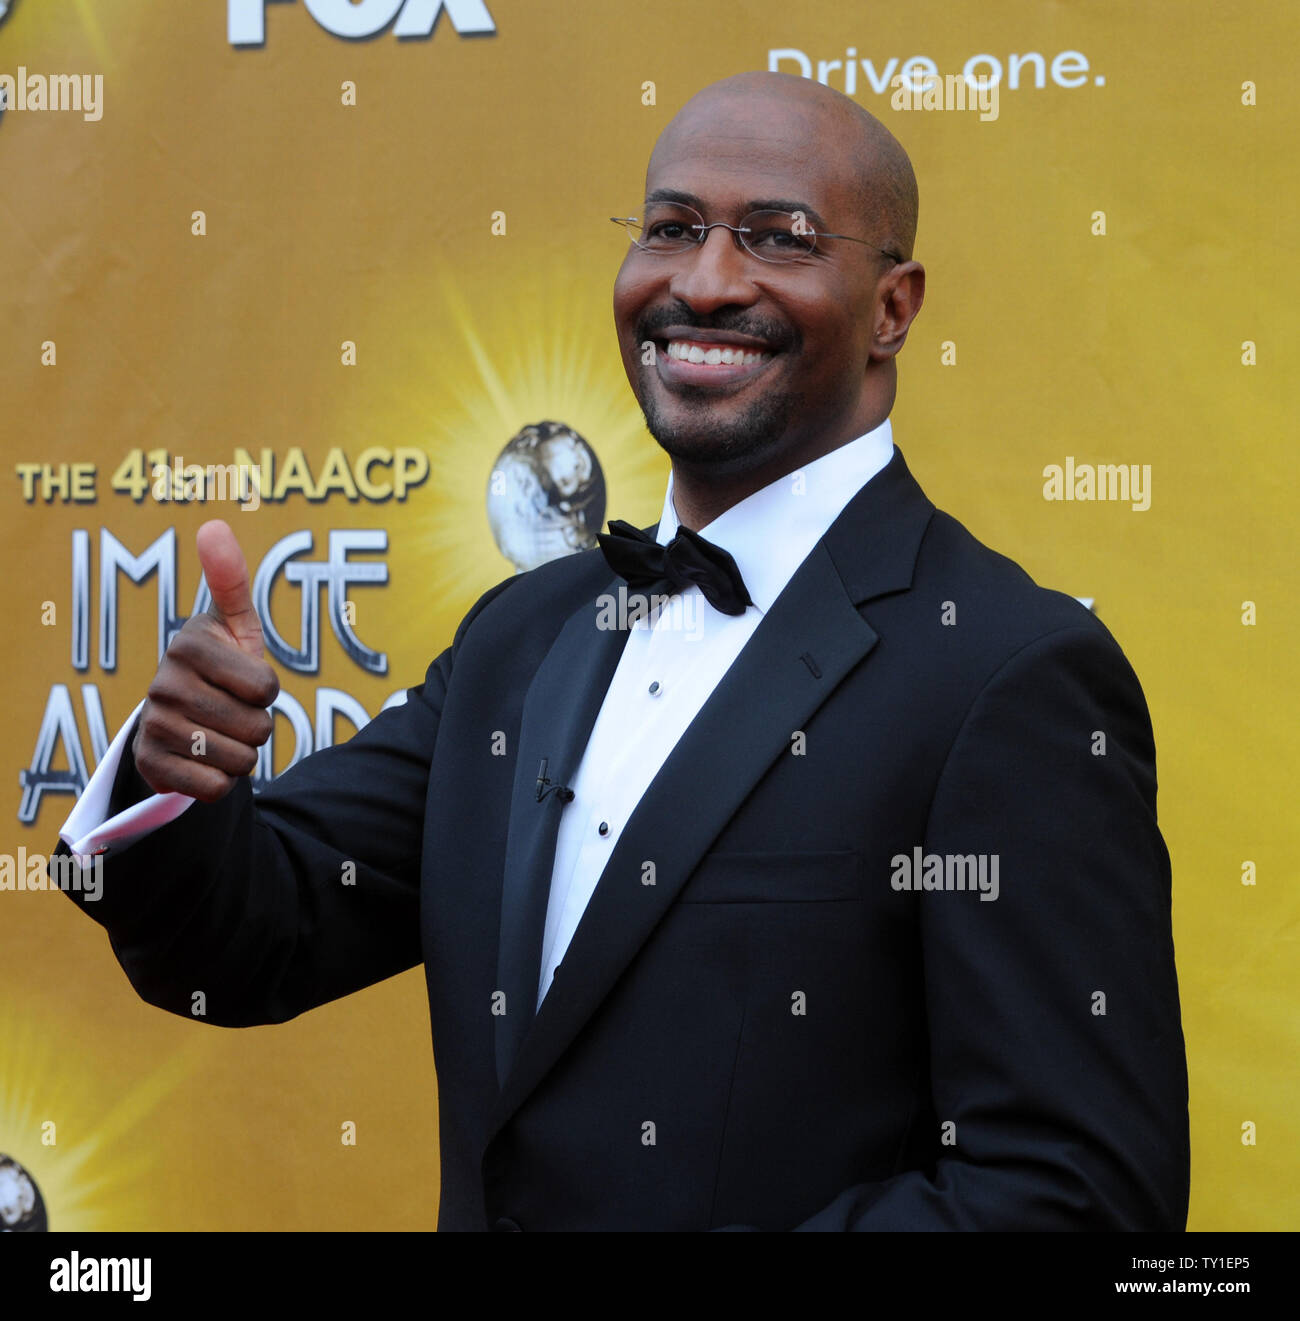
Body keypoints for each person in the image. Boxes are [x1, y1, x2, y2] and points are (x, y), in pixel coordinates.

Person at [56, 71, 1190, 1231]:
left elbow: (1075, 1193)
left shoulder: (1009, 673)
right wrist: (170, 775)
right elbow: (260, 936)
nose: (704, 282)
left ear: (893, 306)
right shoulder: (521, 638)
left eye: (778, 239)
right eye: (671, 229)